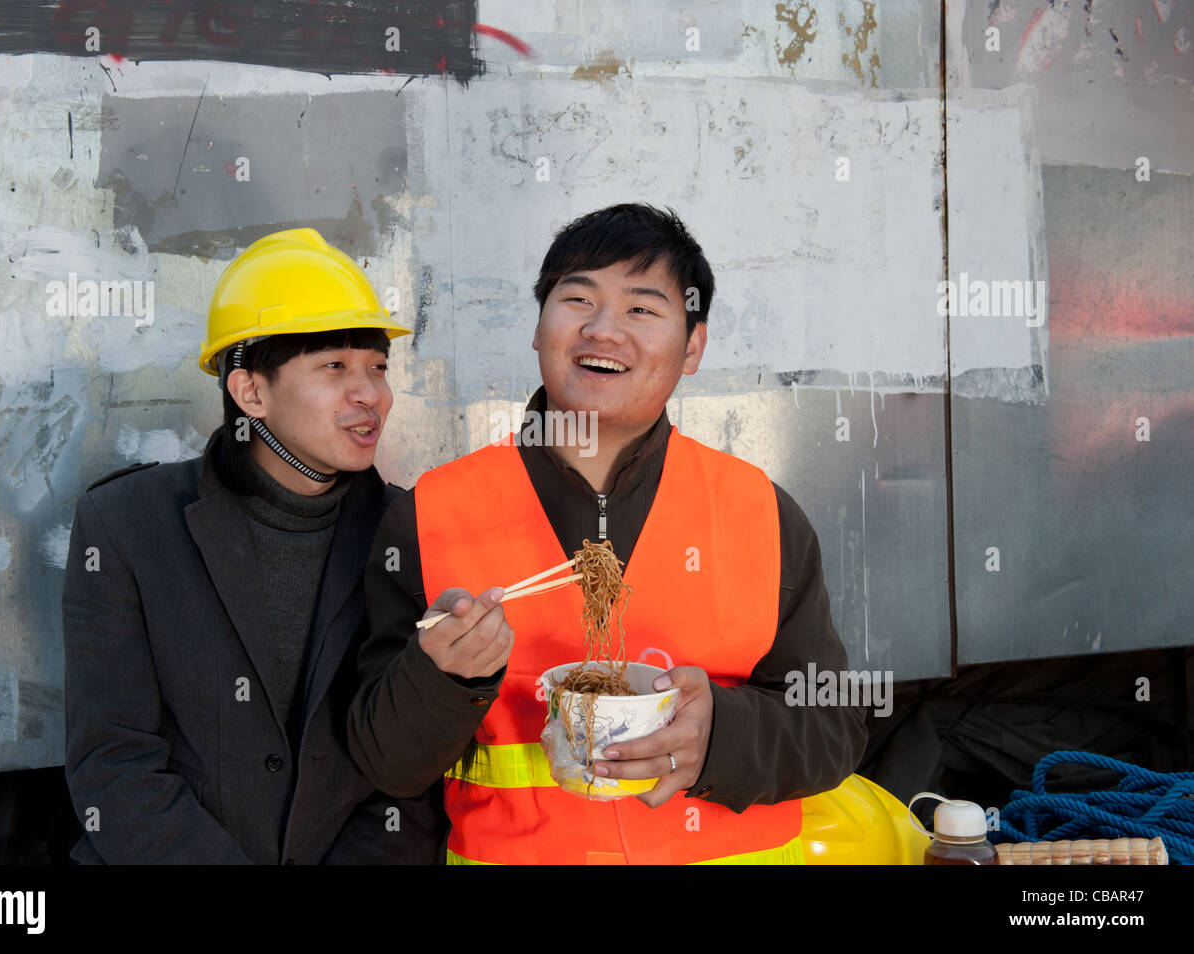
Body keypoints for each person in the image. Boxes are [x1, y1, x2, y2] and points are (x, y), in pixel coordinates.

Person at [349, 204, 869, 864]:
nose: (603, 329)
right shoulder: (429, 516)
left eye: (642, 310)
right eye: (577, 299)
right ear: (538, 330)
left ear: (694, 346)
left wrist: (723, 734)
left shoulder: (760, 514)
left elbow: (834, 728)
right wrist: (443, 678)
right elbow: (384, 762)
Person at [63, 228, 442, 863]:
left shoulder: (408, 529)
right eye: (334, 367)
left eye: (377, 367)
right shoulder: (125, 525)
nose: (370, 394)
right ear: (250, 391)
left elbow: (412, 765)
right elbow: (115, 760)